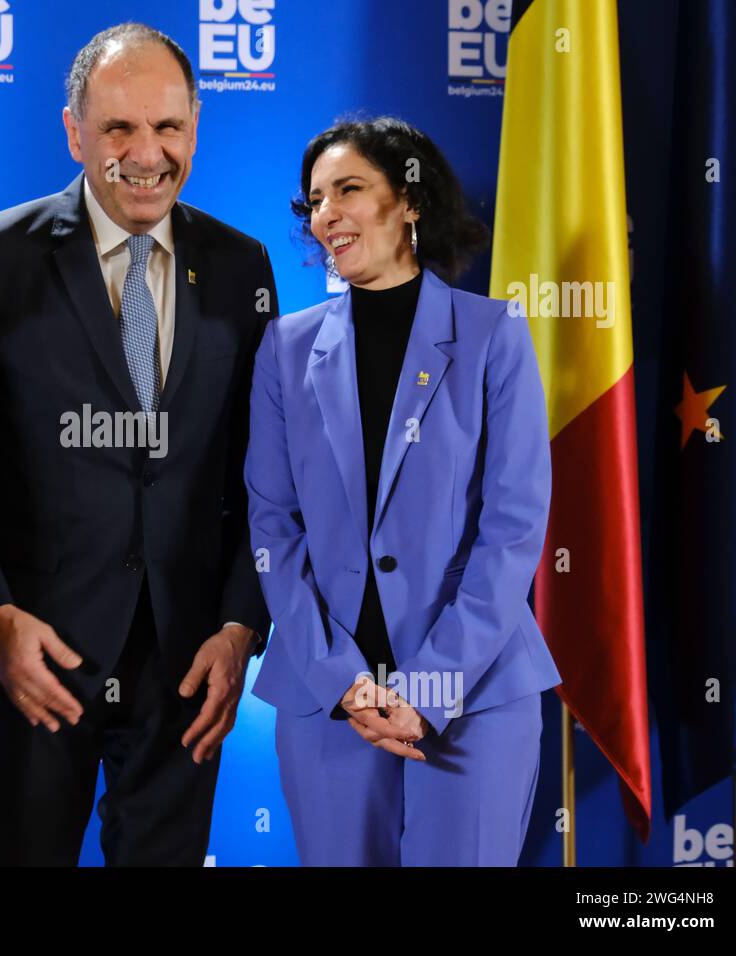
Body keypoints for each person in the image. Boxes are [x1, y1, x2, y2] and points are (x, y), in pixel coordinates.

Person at [0, 23, 277, 866]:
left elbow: (269, 474)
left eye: (168, 127)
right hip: (37, 661)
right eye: (119, 129)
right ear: (74, 131)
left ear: (195, 125)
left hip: (189, 668)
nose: (146, 153)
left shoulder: (240, 265)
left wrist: (239, 625)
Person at [244, 117, 562, 866]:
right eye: (315, 200)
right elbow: (271, 527)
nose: (326, 215)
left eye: (348, 190)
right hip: (329, 703)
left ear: (410, 203)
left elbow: (512, 526)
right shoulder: (286, 347)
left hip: (475, 696)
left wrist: (427, 687)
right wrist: (345, 682)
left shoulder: (493, 335)